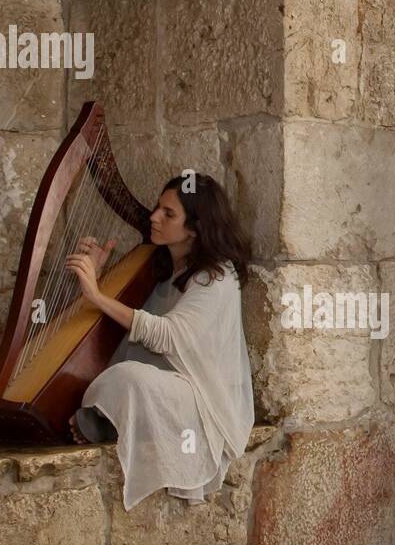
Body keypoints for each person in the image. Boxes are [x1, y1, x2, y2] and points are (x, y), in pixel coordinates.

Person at [64, 173, 254, 511]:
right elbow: (126, 325)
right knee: (117, 371)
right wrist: (101, 279)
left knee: (129, 376)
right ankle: (111, 417)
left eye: (169, 214)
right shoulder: (166, 267)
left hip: (201, 402)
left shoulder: (217, 279)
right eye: (158, 208)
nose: (154, 217)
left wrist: (95, 293)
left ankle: (112, 419)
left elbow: (167, 335)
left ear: (195, 227)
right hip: (167, 384)